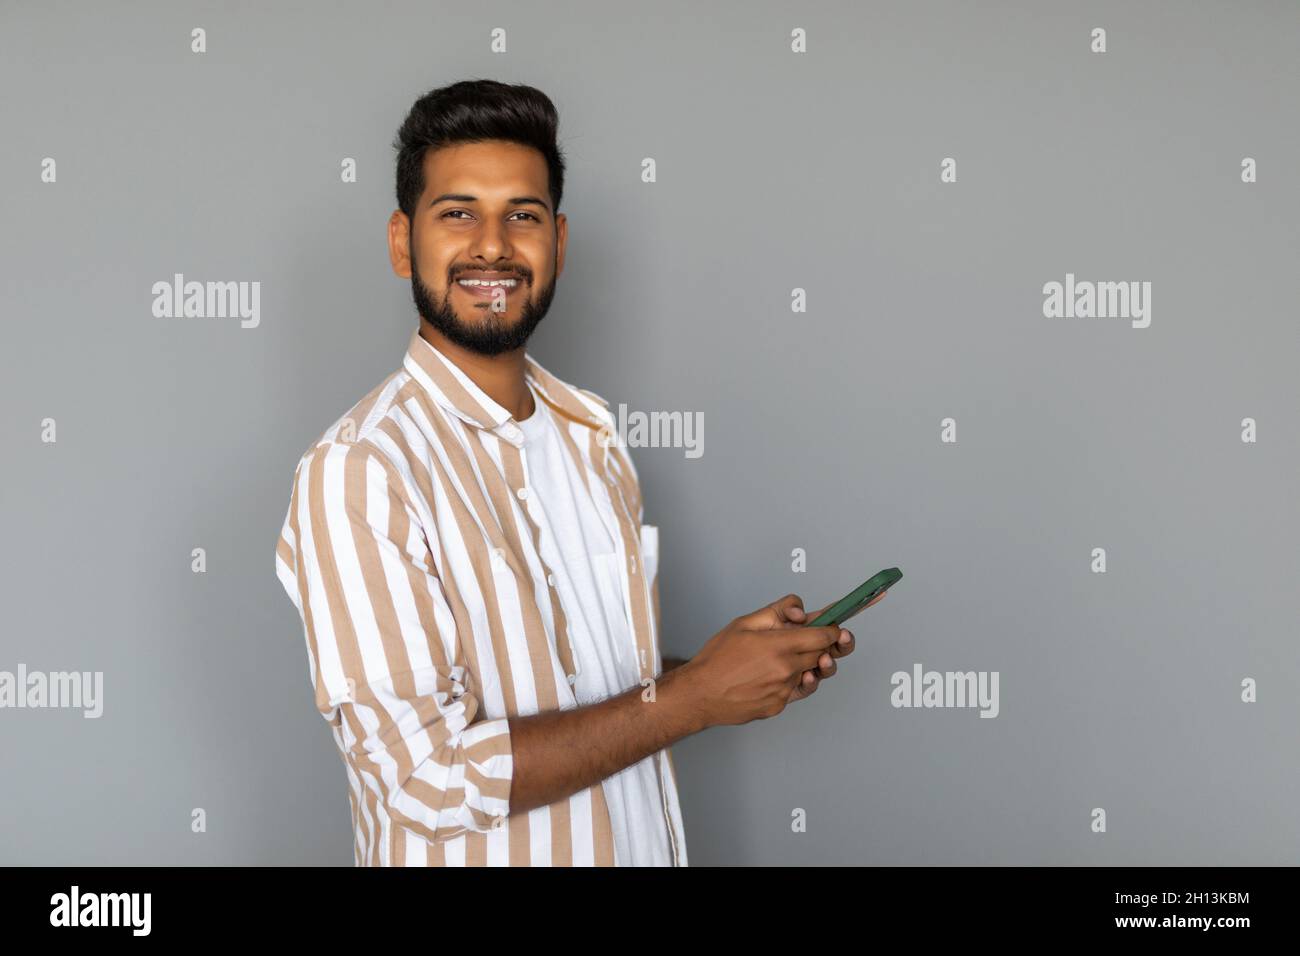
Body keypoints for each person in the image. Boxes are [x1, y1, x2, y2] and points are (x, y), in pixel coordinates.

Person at [273, 79, 881, 867]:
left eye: (521, 216)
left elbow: (592, 682)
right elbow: (423, 779)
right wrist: (692, 702)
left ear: (557, 241)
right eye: (458, 213)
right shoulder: (360, 470)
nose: (492, 245)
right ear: (401, 242)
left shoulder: (590, 432)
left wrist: (725, 672)